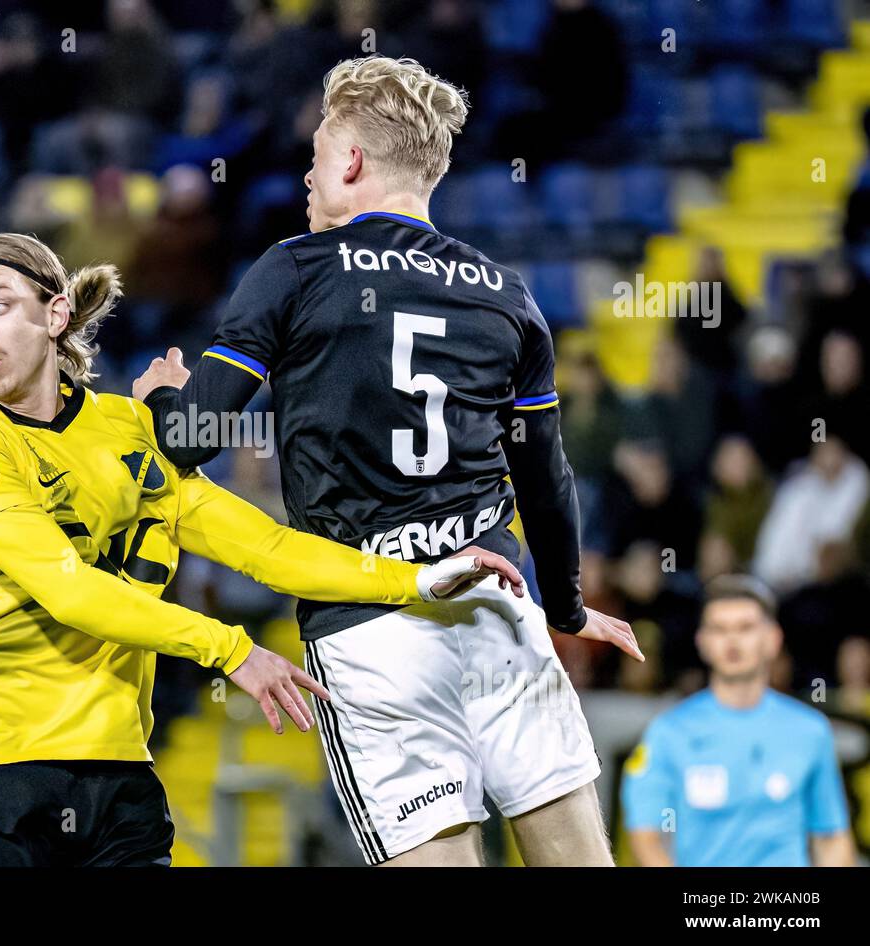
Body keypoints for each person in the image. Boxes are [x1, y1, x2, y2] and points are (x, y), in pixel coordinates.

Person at [133, 55, 642, 866]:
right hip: (497, 608)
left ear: (352, 161)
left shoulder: (295, 268)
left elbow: (192, 442)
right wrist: (569, 607)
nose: (305, 177)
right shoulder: (505, 292)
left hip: (370, 624)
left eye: (313, 156)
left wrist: (162, 397)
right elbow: (547, 478)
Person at [0, 232, 522, 867]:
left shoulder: (131, 430)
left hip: (117, 776)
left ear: (55, 315)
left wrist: (416, 579)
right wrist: (230, 650)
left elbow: (266, 546)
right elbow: (68, 590)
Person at [622, 575, 855, 866]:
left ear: (773, 639)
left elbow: (831, 836)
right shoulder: (668, 732)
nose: (732, 640)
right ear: (702, 641)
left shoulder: (810, 731)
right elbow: (647, 837)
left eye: (745, 628)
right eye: (719, 629)